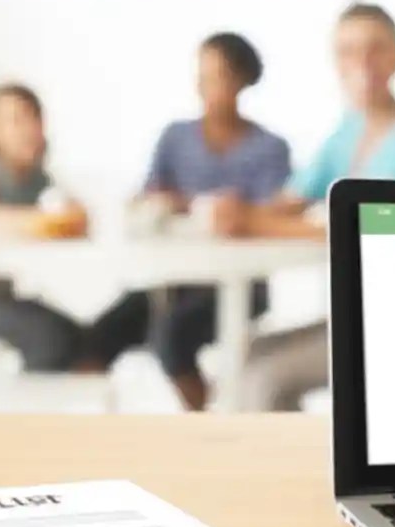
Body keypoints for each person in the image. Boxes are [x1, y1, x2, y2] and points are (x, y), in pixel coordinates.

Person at [214, 3, 395, 411]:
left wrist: (250, 221)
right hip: (359, 313)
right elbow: (291, 201)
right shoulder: (348, 132)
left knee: (266, 375)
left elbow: (352, 228)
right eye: (348, 51)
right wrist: (240, 210)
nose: (362, 62)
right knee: (248, 354)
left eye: (375, 48)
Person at [86, 32, 291, 410]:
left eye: (216, 77)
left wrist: (237, 215)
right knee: (98, 339)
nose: (204, 87)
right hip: (174, 280)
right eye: (201, 76)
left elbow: (274, 215)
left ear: (241, 80)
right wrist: (164, 203)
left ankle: (213, 424)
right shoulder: (175, 137)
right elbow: (147, 198)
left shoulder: (269, 148)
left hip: (239, 283)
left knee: (171, 337)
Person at [0, 83, 88, 372]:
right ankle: (31, 398)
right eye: (14, 120)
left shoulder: (38, 178)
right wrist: (38, 221)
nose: (26, 129)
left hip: (3, 298)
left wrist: (59, 220)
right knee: (52, 338)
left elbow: (78, 216)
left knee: (77, 335)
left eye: (32, 118)